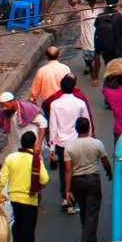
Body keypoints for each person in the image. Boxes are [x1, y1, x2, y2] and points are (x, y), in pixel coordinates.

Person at [0, 129, 49, 242]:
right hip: (30, 199)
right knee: (28, 227)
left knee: (18, 224)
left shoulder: (10, 158)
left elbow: (2, 178)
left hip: (14, 198)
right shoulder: (36, 160)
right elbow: (44, 179)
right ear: (33, 144)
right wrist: (38, 187)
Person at [45, 75, 92, 210]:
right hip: (77, 141)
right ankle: (75, 198)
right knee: (77, 169)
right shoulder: (80, 103)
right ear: (74, 87)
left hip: (61, 143)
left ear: (61, 87)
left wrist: (52, 147)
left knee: (64, 169)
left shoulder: (55, 104)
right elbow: (86, 122)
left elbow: (52, 126)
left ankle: (65, 195)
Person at [93, 0, 122, 68]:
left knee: (109, 68)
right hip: (118, 49)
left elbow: (96, 26)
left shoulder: (100, 16)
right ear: (117, 4)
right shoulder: (121, 18)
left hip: (105, 50)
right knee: (119, 70)